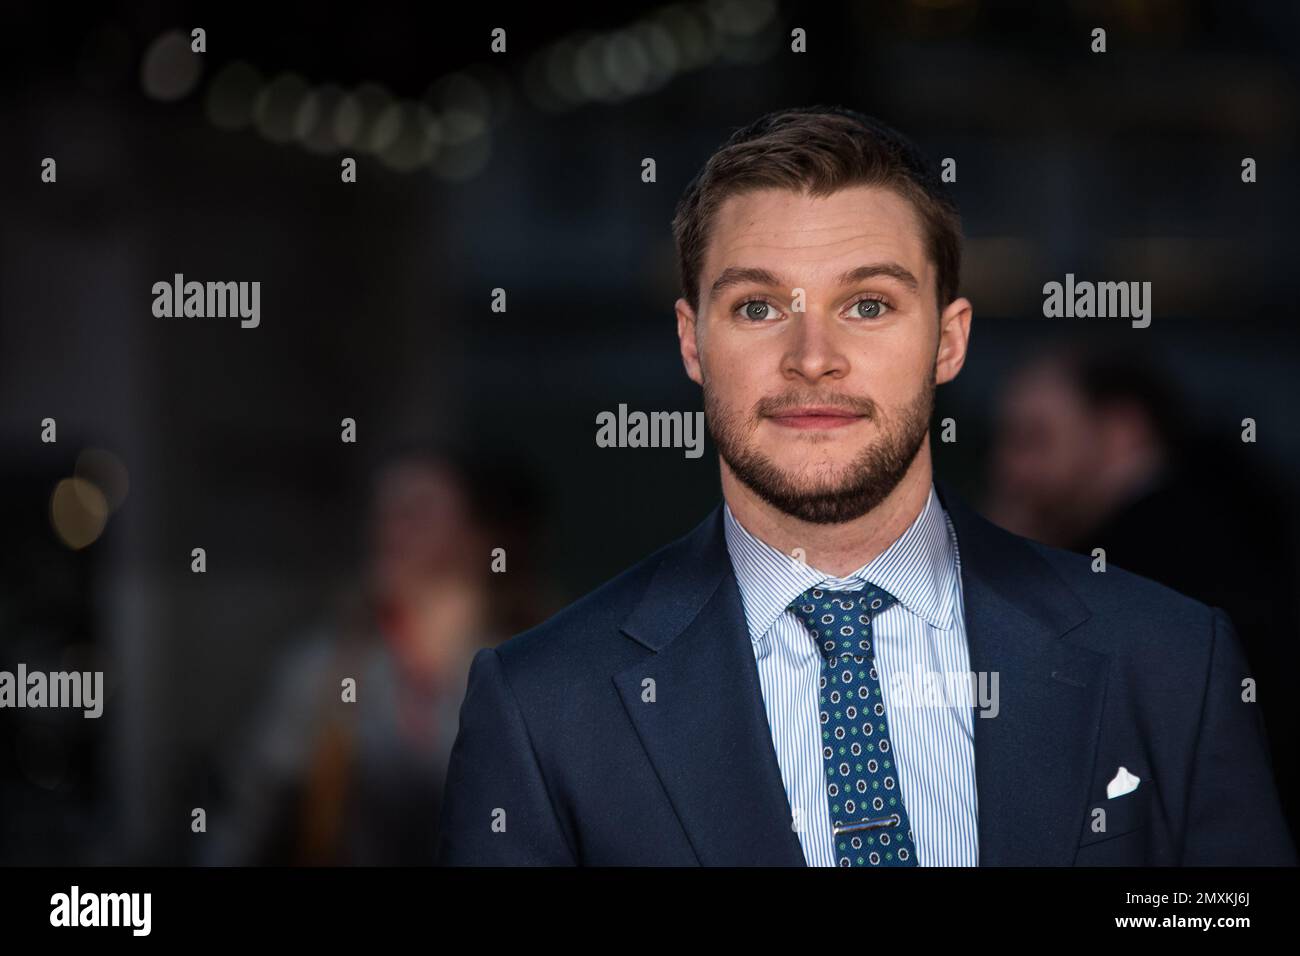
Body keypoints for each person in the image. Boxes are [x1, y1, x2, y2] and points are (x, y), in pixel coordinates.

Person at [436, 106, 1295, 866]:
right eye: (759, 308)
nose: (813, 358)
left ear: (949, 340)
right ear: (692, 343)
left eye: (870, 304)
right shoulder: (545, 707)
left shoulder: (1172, 661)